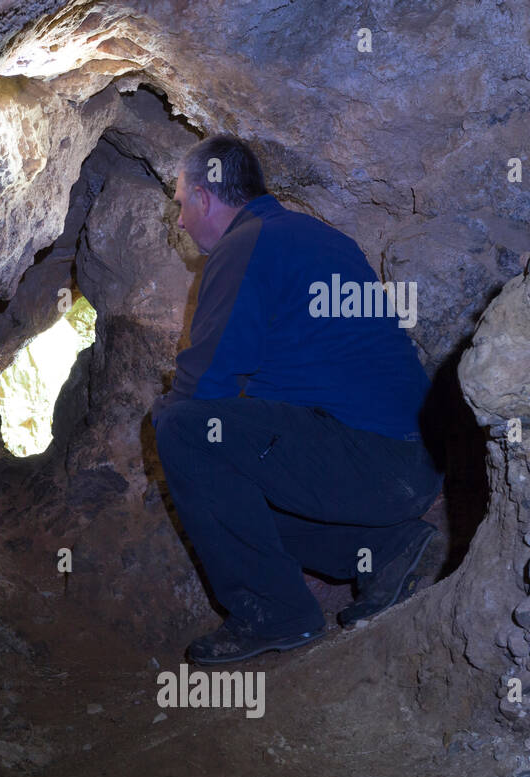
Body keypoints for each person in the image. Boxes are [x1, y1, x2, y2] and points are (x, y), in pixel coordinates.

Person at [150, 135, 443, 666]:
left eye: (179, 205)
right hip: (408, 463)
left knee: (180, 428)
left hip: (369, 458)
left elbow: (205, 384)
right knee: (235, 477)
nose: (179, 222)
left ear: (204, 198)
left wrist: (178, 458)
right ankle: (386, 550)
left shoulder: (246, 245)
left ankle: (272, 611)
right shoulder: (318, 237)